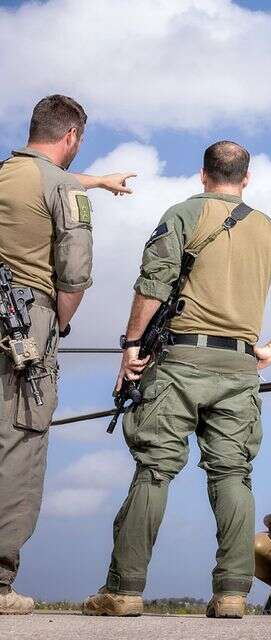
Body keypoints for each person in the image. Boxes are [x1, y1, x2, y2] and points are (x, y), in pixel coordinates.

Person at [82, 140, 271, 619]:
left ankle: (125, 591)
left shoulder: (181, 215)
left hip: (178, 362)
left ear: (203, 175)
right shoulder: (270, 229)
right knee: (233, 477)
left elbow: (152, 285)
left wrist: (132, 345)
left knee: (154, 471)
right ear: (247, 178)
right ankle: (233, 594)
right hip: (239, 368)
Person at [0, 94, 135, 616]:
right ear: (73, 135)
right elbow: (75, 275)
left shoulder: (10, 173)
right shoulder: (64, 191)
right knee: (20, 441)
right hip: (26, 320)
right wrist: (59, 322)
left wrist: (97, 180)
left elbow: (46, 182)